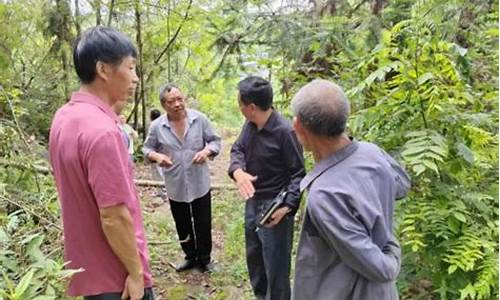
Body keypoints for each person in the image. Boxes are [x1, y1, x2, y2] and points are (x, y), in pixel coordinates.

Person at [48, 26, 154, 300]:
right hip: (116, 278)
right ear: (104, 70)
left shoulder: (64, 117)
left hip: (88, 270)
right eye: (130, 68)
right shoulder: (102, 132)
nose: (135, 78)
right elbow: (113, 216)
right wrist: (135, 272)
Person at [290, 79, 411, 300]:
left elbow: (382, 268)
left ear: (298, 126)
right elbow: (402, 185)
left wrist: (392, 245)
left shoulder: (325, 194)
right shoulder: (372, 153)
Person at [228, 76, 305, 300]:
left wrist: (287, 207)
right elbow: (237, 150)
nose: (239, 106)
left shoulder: (285, 132)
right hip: (253, 203)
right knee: (256, 262)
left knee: (277, 270)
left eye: (240, 102)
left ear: (251, 107)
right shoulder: (250, 125)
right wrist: (238, 171)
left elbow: (298, 175)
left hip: (275, 208)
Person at [143, 83, 221, 272]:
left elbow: (215, 141)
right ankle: (190, 257)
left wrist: (206, 151)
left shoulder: (199, 119)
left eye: (180, 99)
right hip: (175, 183)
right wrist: (157, 156)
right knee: (182, 222)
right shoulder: (157, 126)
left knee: (203, 221)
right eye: (172, 101)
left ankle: (205, 258)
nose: (178, 104)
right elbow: (146, 149)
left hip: (199, 181)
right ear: (164, 104)